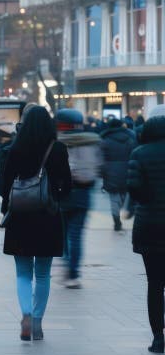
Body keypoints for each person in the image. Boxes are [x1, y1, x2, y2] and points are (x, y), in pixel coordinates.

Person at [0, 105, 72, 341]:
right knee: (43, 273)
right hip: (47, 217)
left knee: (22, 273)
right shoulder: (57, 149)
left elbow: (2, 187)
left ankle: (26, 315)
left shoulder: (14, 148)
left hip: (19, 217)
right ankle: (38, 320)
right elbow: (67, 186)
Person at [127, 104, 165, 353]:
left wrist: (148, 198)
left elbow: (133, 187)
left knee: (154, 282)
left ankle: (158, 338)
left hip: (149, 224)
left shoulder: (139, 153)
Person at [56, 109, 102, 289]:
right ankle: (74, 273)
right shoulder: (92, 141)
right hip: (84, 193)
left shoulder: (61, 142)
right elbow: (98, 167)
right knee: (76, 235)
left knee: (65, 233)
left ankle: (69, 267)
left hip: (64, 193)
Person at [100, 117, 136, 231]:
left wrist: (102, 172)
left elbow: (101, 159)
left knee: (114, 198)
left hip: (110, 172)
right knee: (124, 195)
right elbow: (134, 155)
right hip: (127, 170)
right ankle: (121, 212)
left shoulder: (105, 140)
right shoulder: (130, 138)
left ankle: (116, 219)